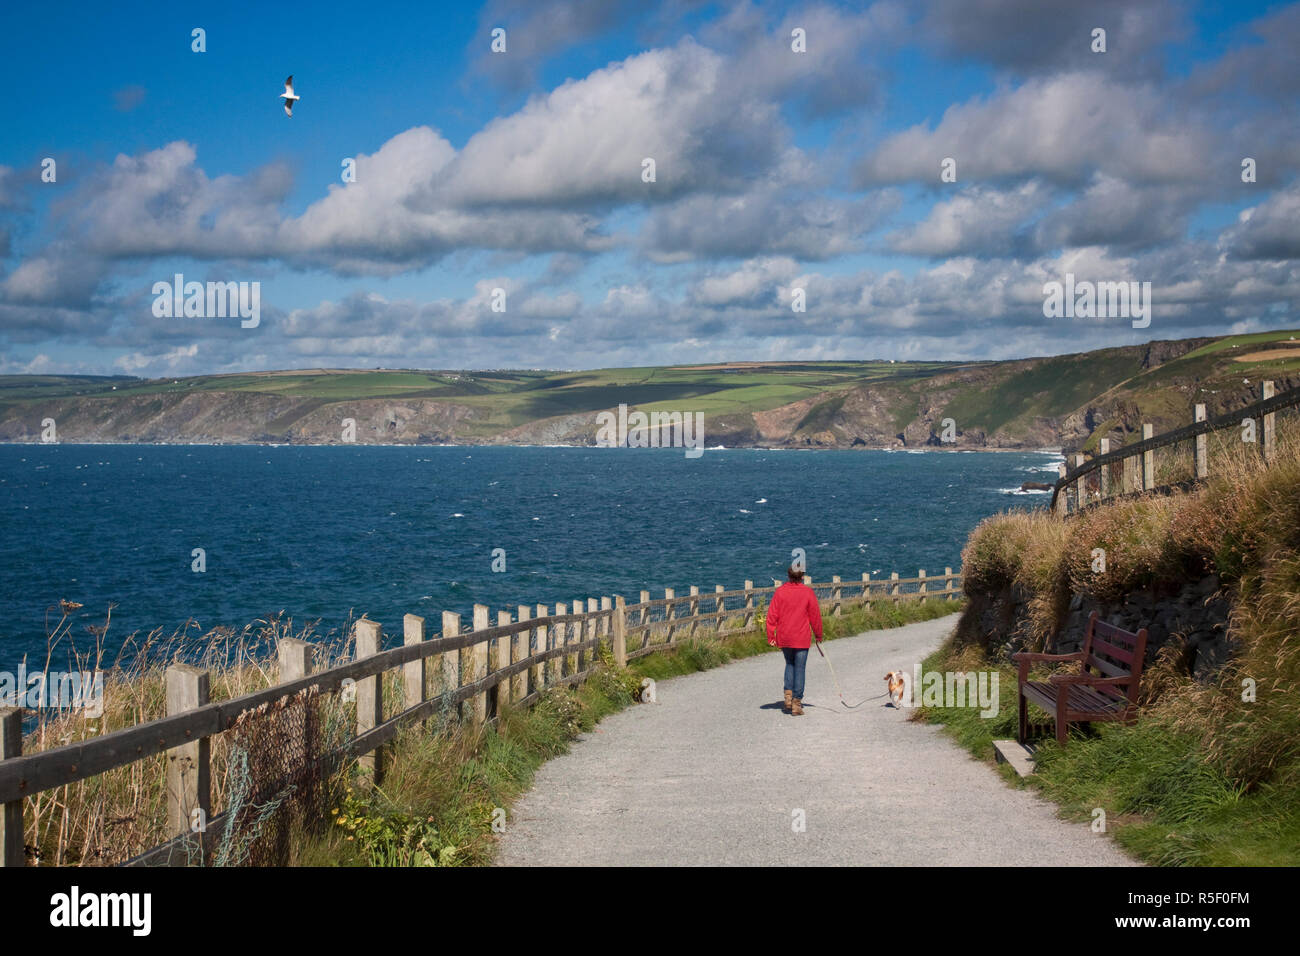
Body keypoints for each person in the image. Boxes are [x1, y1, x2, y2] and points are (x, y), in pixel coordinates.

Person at [765, 565, 824, 715]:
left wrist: (771, 635)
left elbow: (771, 615)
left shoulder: (780, 592)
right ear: (802, 576)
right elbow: (815, 616)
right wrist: (818, 635)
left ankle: (788, 699)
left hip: (785, 636)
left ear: (789, 575)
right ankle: (796, 703)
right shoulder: (807, 592)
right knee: (800, 668)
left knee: (789, 664)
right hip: (801, 637)